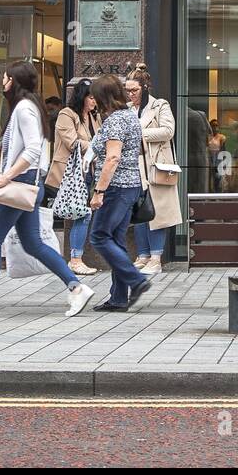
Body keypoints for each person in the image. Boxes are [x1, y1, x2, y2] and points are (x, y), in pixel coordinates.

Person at [0, 62, 94, 319]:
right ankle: (76, 287)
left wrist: (6, 176)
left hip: (21, 183)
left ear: (14, 82)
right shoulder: (30, 107)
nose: (2, 84)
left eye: (5, 79)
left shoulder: (24, 109)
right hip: (28, 183)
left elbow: (31, 150)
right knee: (33, 243)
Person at [87, 74, 154, 312]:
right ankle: (118, 298)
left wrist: (99, 191)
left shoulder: (115, 121)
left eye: (94, 96)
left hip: (116, 187)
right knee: (116, 239)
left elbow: (113, 158)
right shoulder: (129, 116)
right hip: (131, 186)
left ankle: (136, 280)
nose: (92, 101)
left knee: (99, 236)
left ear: (103, 97)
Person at [126, 66, 180, 275]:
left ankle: (156, 258)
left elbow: (168, 130)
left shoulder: (160, 105)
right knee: (139, 210)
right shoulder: (127, 108)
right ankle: (143, 255)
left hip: (156, 166)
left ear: (145, 88)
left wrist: (140, 133)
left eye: (134, 90)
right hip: (134, 166)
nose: (130, 95)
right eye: (128, 90)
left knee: (157, 211)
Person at [46, 78, 98, 276]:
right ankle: (75, 260)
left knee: (82, 214)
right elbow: (72, 142)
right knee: (82, 214)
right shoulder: (66, 114)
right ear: (81, 97)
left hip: (87, 173)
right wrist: (97, 145)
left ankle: (75, 258)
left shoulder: (93, 116)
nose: (94, 101)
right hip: (70, 173)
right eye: (91, 97)